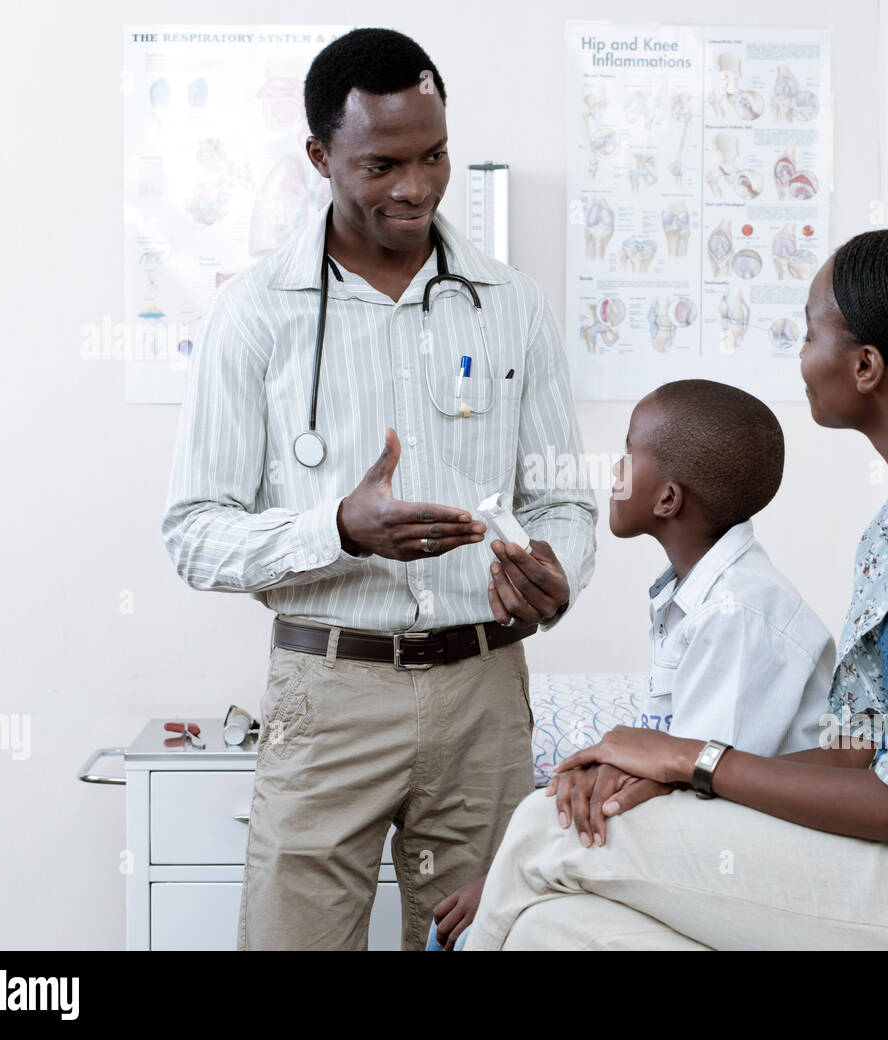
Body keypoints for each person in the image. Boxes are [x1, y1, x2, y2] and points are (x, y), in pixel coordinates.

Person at [464, 227, 888, 950]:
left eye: (807, 331)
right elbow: (861, 748)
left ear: (866, 365)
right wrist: (678, 782)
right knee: (557, 929)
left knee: (549, 825)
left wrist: (694, 759)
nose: (798, 354)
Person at [160, 27, 596, 950]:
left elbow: (563, 496)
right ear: (321, 157)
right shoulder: (254, 313)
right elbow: (195, 531)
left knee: (485, 941)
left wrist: (563, 571)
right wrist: (338, 531)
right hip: (328, 692)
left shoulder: (511, 303)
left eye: (434, 155)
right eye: (382, 163)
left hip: (482, 688)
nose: (416, 186)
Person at [427, 379, 836, 949]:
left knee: (525, 851)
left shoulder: (738, 610)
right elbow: (667, 753)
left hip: (753, 846)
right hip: (716, 818)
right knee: (545, 827)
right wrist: (603, 772)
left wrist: (510, 874)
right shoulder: (694, 597)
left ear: (667, 499)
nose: (614, 468)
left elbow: (695, 780)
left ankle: (492, 909)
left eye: (628, 452)